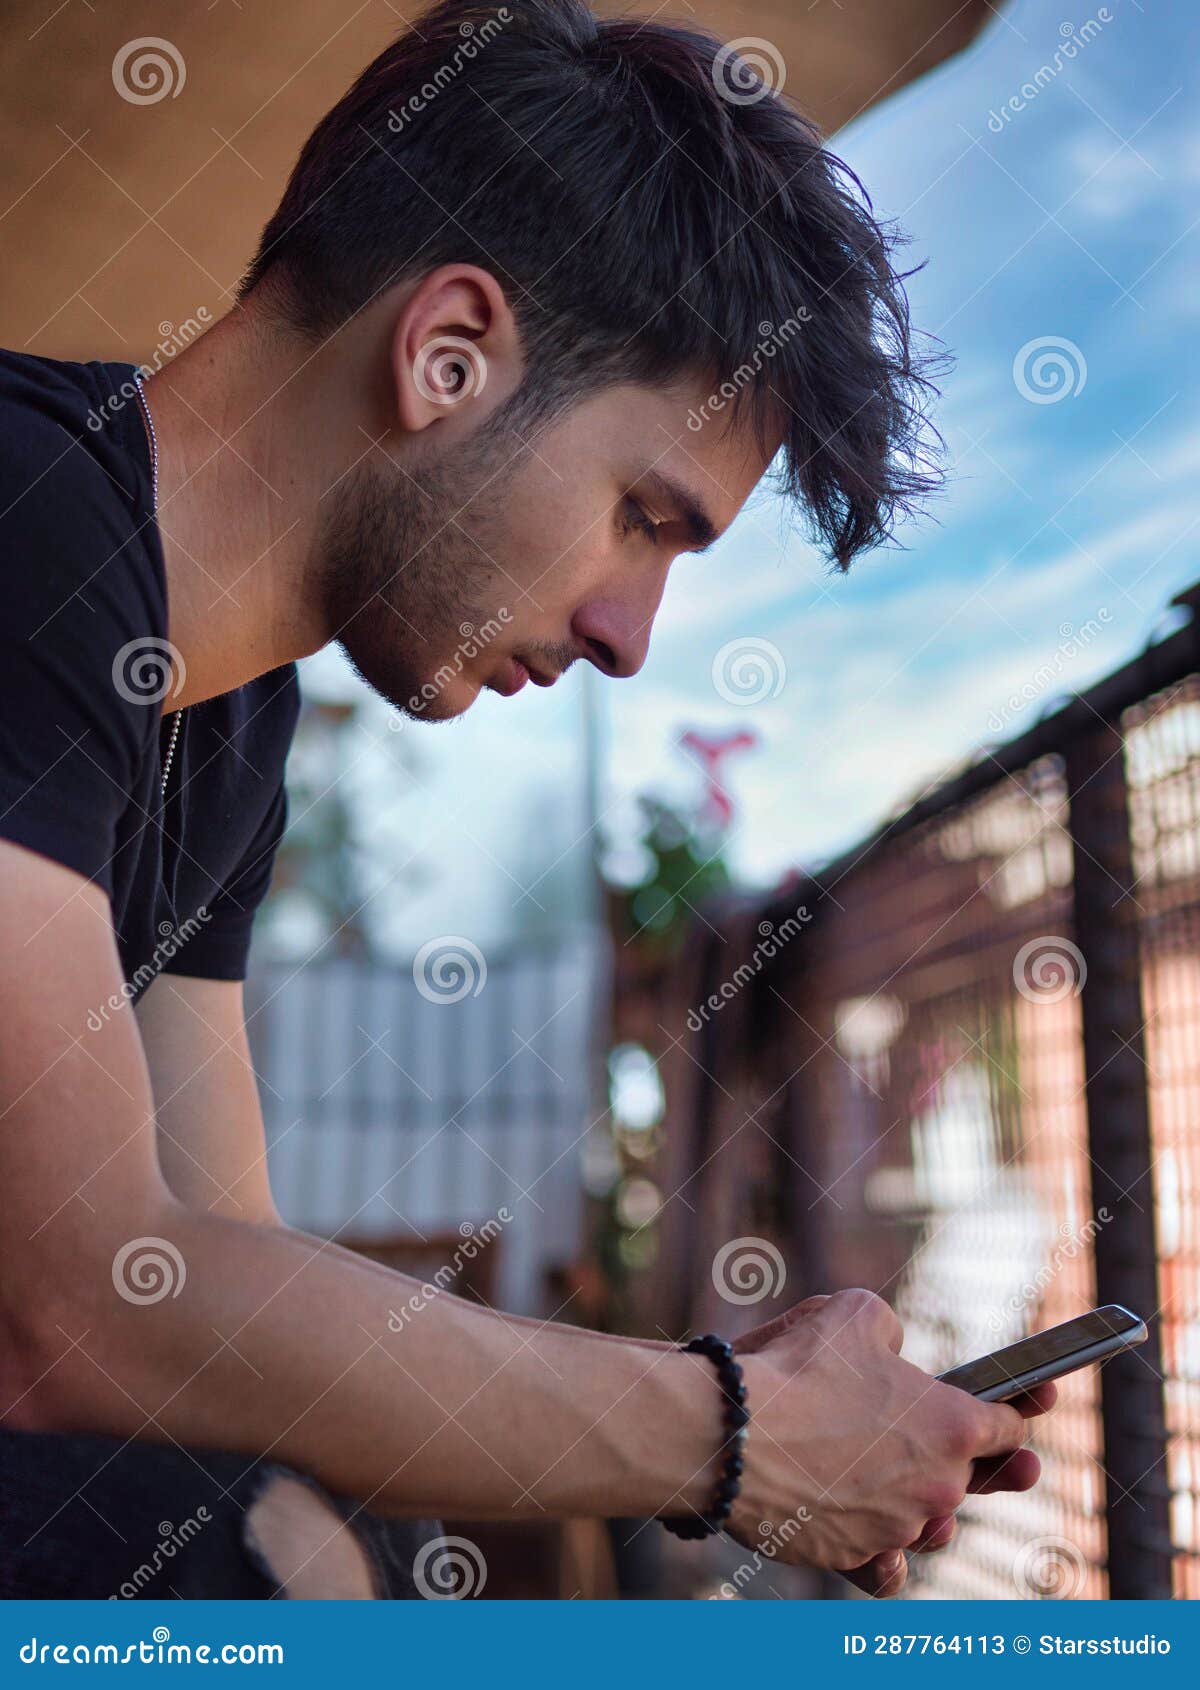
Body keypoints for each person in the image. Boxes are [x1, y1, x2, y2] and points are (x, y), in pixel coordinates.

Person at [0, 0, 1052, 1599]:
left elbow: (201, 1293)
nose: (629, 638)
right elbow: (71, 1314)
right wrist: (731, 1431)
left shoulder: (221, 724)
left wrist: (727, 1390)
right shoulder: (29, 527)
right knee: (236, 1560)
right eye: (642, 517)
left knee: (292, 1529)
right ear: (448, 352)